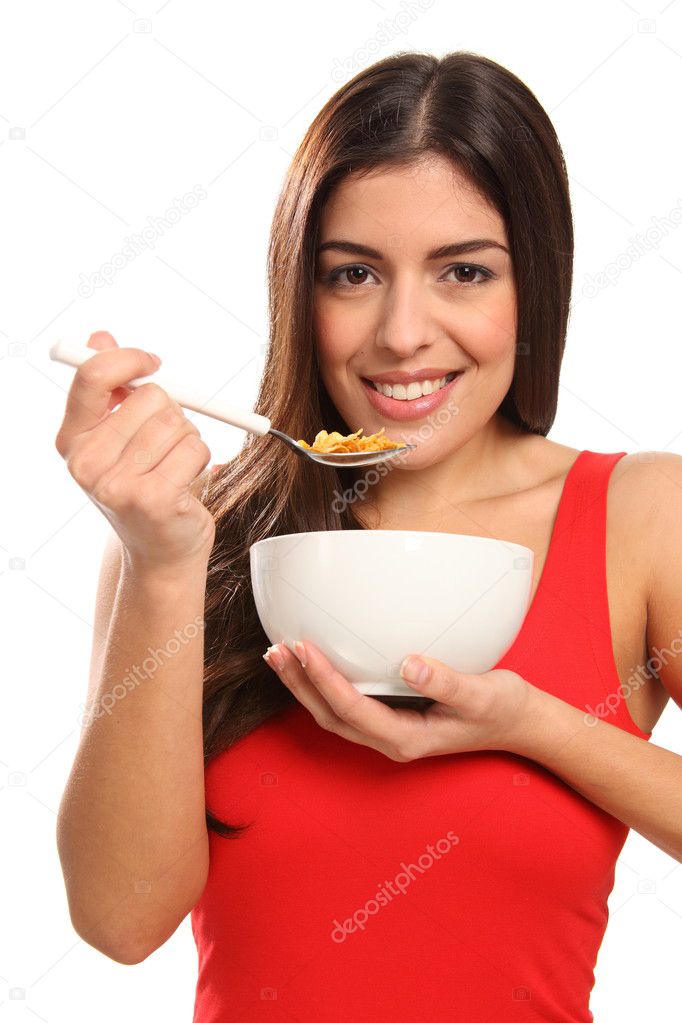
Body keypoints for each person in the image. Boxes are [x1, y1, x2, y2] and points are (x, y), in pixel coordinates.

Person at [55, 50, 681, 1022]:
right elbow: (120, 920)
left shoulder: (642, 513)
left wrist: (533, 725)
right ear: (299, 293)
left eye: (463, 272)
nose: (401, 333)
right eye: (353, 274)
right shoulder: (187, 531)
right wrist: (163, 564)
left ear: (536, 284)